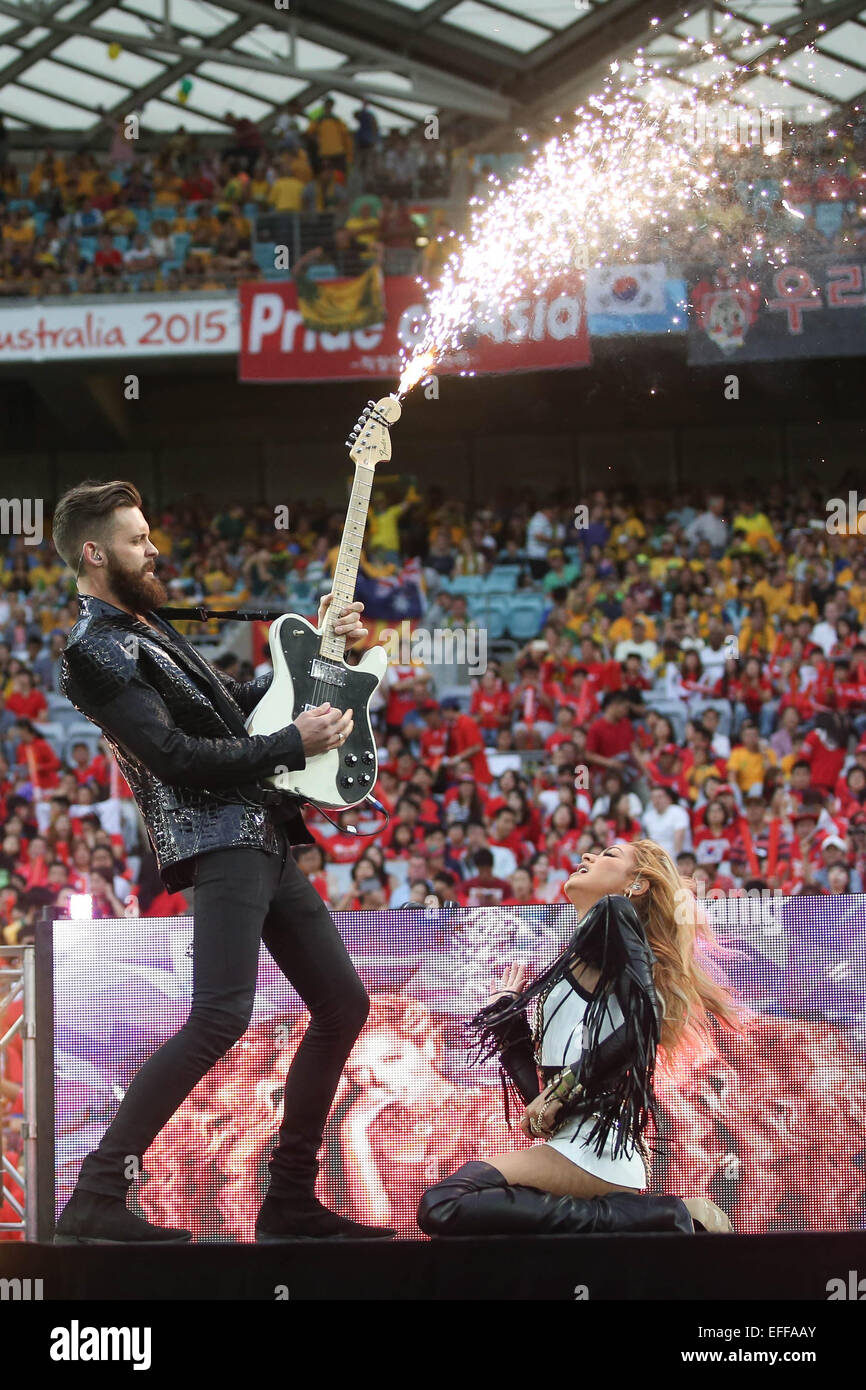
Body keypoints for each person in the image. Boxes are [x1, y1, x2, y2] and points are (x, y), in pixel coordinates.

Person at [49, 479, 395, 1245]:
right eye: (139, 539)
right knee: (219, 1017)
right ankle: (97, 1198)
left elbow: (236, 705)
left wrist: (324, 652)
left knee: (342, 1004)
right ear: (94, 552)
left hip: (259, 832)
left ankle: (289, 1204)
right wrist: (291, 744)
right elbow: (174, 757)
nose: (155, 549)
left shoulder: (145, 629)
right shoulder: (93, 651)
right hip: (218, 836)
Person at [416, 839, 742, 1235]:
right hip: (576, 1145)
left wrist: (559, 1093)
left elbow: (645, 1019)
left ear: (636, 885)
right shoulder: (583, 954)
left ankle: (667, 1217)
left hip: (597, 1152)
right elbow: (542, 1107)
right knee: (469, 1216)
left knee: (446, 1203)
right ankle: (632, 1217)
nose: (587, 856)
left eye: (609, 855)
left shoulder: (615, 912)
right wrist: (509, 1027)